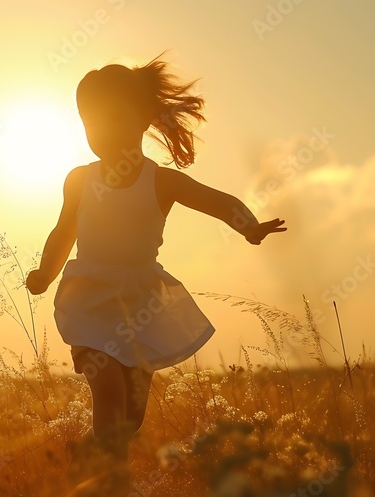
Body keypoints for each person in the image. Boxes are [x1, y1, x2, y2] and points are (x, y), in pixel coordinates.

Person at [26, 58, 286, 467]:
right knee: (108, 390)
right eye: (91, 122)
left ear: (144, 118)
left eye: (114, 118)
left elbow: (216, 201)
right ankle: (109, 481)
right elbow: (63, 232)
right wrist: (45, 272)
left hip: (141, 306)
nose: (103, 131)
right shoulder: (79, 180)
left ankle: (92, 457)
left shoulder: (162, 181)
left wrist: (248, 226)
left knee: (131, 415)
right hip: (88, 301)